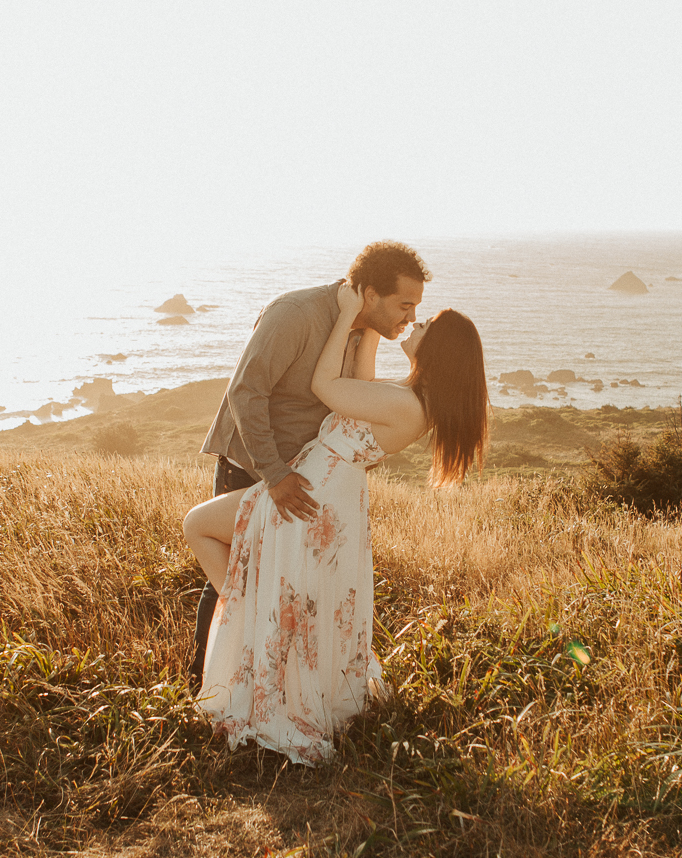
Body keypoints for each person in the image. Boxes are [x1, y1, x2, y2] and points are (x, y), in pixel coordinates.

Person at [183, 284, 489, 764]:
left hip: (308, 495)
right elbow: (360, 389)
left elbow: (326, 388)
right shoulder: (410, 398)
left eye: (424, 324)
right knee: (299, 597)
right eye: (411, 311)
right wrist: (368, 329)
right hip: (326, 495)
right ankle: (254, 628)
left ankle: (246, 630)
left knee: (198, 525)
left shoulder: (407, 405)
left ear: (440, 352)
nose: (415, 322)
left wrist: (349, 314)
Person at [189, 242, 431, 694]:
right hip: (257, 463)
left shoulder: (360, 332)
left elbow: (354, 404)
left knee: (284, 581)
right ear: (370, 294)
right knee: (236, 567)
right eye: (404, 304)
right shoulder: (296, 313)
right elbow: (245, 393)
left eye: (416, 307)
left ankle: (273, 681)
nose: (411, 317)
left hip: (304, 477)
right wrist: (275, 475)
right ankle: (205, 685)